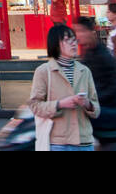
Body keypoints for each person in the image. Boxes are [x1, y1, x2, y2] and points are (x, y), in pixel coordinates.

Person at [27, 23, 100, 151]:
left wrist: (87, 104)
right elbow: (35, 106)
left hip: (84, 142)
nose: (73, 44)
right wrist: (60, 104)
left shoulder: (84, 71)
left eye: (74, 39)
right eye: (67, 40)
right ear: (55, 44)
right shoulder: (44, 71)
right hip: (58, 143)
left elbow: (96, 108)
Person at [73, 16, 116, 133]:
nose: (78, 35)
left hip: (108, 110)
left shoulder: (103, 55)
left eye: (81, 31)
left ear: (92, 32)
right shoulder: (88, 53)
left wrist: (93, 100)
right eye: (76, 31)